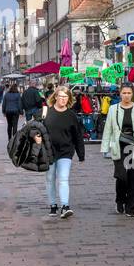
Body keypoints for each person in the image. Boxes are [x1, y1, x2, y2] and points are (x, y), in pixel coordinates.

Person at [100, 84, 134, 218]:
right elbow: (108, 129)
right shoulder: (113, 109)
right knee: (122, 177)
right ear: (120, 94)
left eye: (129, 93)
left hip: (133, 147)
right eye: (124, 93)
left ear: (132, 94)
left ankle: (131, 207)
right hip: (119, 146)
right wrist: (105, 148)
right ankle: (120, 200)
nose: (127, 95)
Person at [42, 85, 84, 219]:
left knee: (63, 178)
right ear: (55, 97)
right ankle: (53, 205)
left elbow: (77, 135)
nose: (63, 99)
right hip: (49, 151)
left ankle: (65, 206)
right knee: (50, 178)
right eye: (60, 96)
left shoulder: (71, 116)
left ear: (69, 99)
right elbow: (35, 128)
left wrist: (80, 153)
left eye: (65, 97)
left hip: (66, 151)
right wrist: (36, 137)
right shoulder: (46, 112)